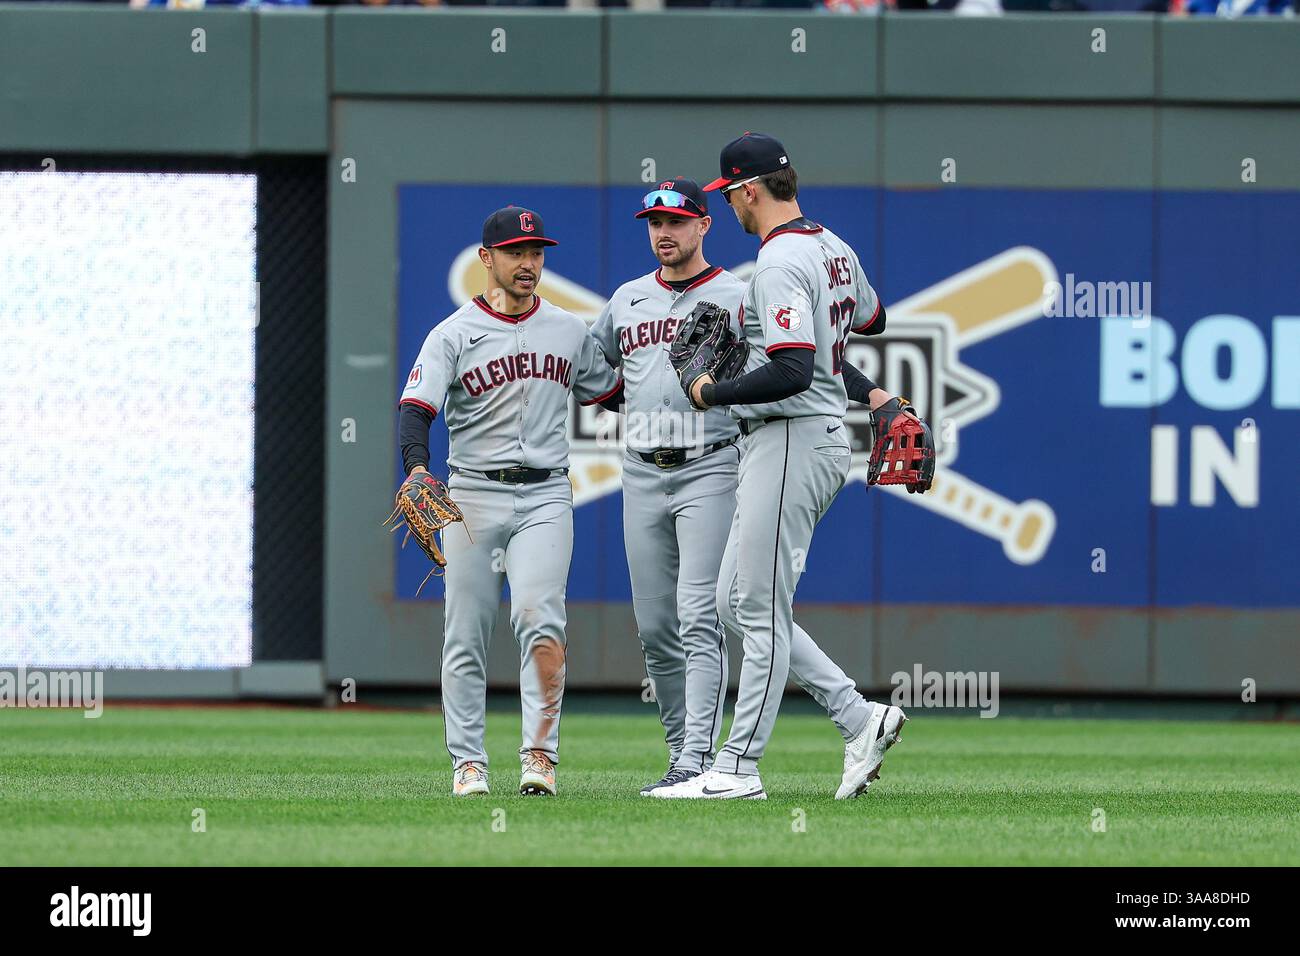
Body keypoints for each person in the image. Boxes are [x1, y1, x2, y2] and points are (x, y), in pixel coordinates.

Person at [655, 133, 909, 800]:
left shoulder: (775, 263)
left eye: (728, 193)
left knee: (758, 610)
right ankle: (861, 718)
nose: (729, 205)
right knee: (732, 604)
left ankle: (737, 768)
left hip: (793, 437)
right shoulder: (834, 247)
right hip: (804, 439)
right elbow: (874, 319)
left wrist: (714, 391)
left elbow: (795, 370)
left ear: (747, 191)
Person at [398, 205, 622, 797]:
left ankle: (539, 757)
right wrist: (417, 469)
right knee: (466, 631)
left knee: (539, 620)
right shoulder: (452, 334)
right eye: (516, 253)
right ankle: (467, 761)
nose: (528, 264)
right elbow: (415, 410)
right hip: (471, 495)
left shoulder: (569, 330)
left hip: (547, 492)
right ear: (487, 259)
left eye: (536, 252)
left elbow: (616, 392)